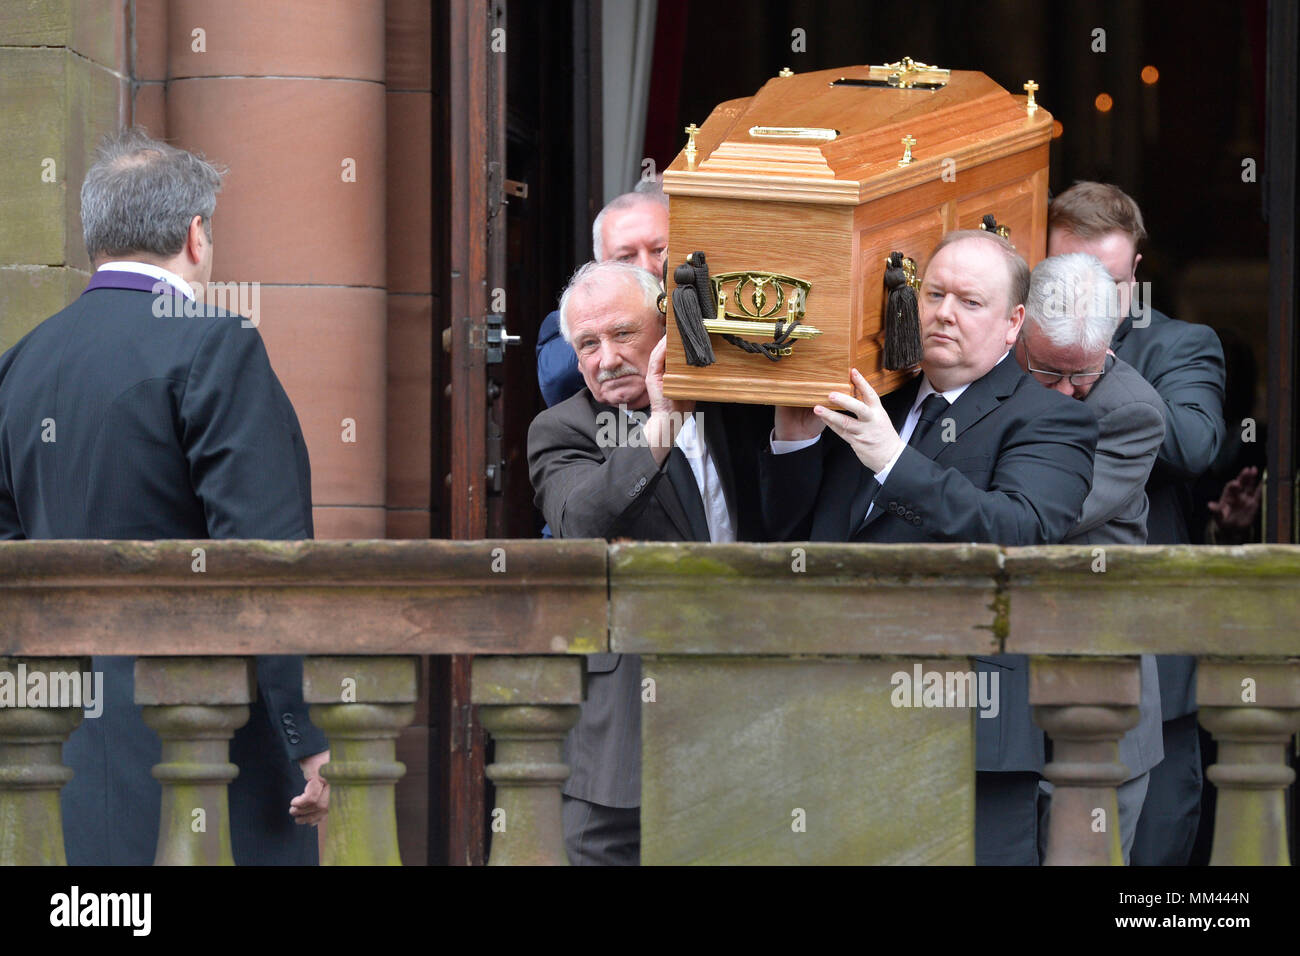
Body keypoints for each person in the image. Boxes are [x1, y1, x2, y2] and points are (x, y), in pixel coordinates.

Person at [0, 128, 329, 864]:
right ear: (195, 234)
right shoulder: (216, 344)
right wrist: (306, 734)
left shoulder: (19, 364)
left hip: (58, 750)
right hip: (202, 745)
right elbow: (264, 558)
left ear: (95, 238)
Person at [759, 229, 1098, 865]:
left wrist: (894, 460)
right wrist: (796, 441)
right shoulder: (874, 397)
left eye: (970, 302)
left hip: (965, 726)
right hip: (835, 716)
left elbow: (1019, 534)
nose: (944, 313)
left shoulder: (1052, 418)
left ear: (1012, 323)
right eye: (934, 294)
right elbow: (790, 540)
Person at [528, 260, 760, 864]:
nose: (606, 359)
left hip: (747, 704)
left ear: (666, 326)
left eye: (622, 334)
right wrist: (662, 425)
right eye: (588, 344)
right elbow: (582, 520)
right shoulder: (562, 428)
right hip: (624, 731)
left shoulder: (734, 409)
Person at [1048, 182, 1226, 866]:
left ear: (1137, 273)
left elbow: (1194, 447)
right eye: (1069, 277)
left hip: (1152, 660)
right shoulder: (1017, 341)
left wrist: (1098, 358)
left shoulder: (1180, 344)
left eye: (1109, 282)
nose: (1089, 295)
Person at [1016, 252, 1166, 862]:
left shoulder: (1130, 410)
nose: (1066, 390)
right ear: (1019, 327)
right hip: (1009, 696)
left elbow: (1039, 518)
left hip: (1095, 700)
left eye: (1083, 373)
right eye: (1049, 371)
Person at [536, 183, 669, 408]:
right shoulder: (573, 318)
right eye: (626, 257)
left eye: (659, 251)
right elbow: (558, 377)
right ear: (600, 265)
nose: (646, 267)